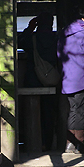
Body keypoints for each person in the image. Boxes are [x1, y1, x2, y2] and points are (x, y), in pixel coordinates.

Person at [57, 6, 84, 154]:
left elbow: (60, 55)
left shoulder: (65, 32)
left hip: (67, 77)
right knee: (80, 111)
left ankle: (70, 144)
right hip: (81, 77)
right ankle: (79, 144)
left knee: (73, 111)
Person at [18, 13, 59, 150]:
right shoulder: (55, 38)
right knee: (49, 113)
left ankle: (33, 143)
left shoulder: (33, 39)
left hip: (33, 78)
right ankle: (48, 143)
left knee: (32, 113)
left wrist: (29, 29)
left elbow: (19, 42)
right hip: (51, 78)